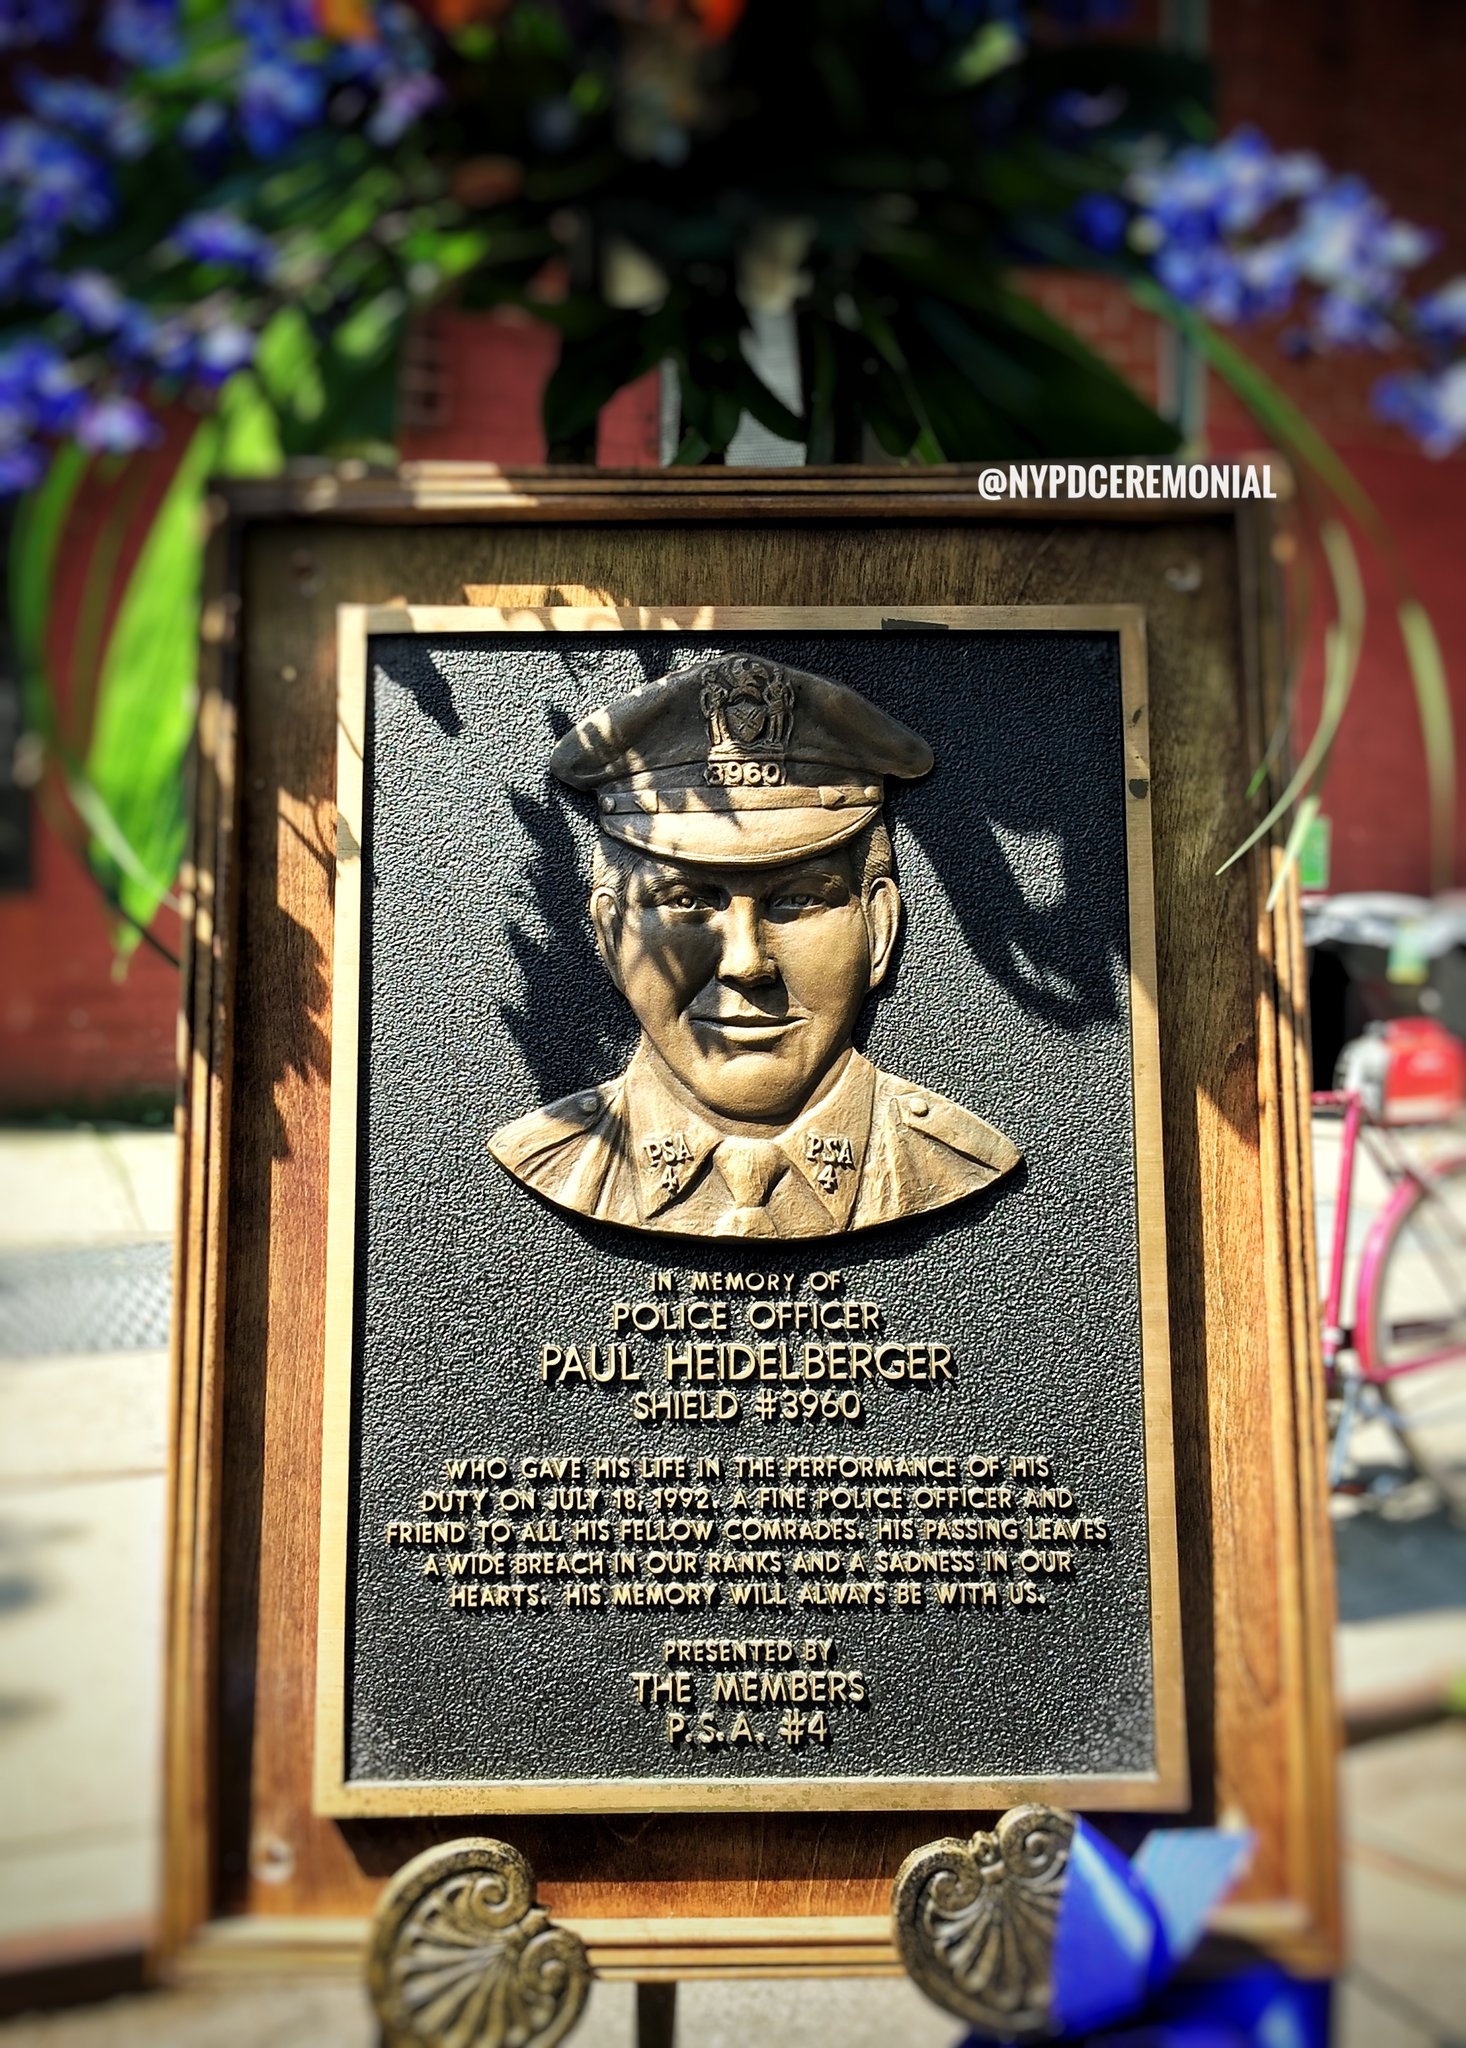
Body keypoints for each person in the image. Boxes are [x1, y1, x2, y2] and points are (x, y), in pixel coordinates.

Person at [489, 652, 1020, 1239]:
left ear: (879, 927)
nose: (746, 964)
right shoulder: (554, 1160)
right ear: (612, 935)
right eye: (687, 900)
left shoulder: (953, 1162)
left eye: (797, 900)